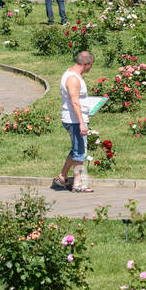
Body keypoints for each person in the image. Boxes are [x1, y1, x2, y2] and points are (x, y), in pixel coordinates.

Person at [55, 50, 95, 192]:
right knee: (80, 153)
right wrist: (82, 123)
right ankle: (77, 183)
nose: (91, 68)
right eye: (91, 66)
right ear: (86, 64)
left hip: (76, 118)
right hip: (75, 120)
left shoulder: (74, 74)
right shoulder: (73, 79)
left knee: (76, 149)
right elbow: (74, 102)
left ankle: (62, 176)